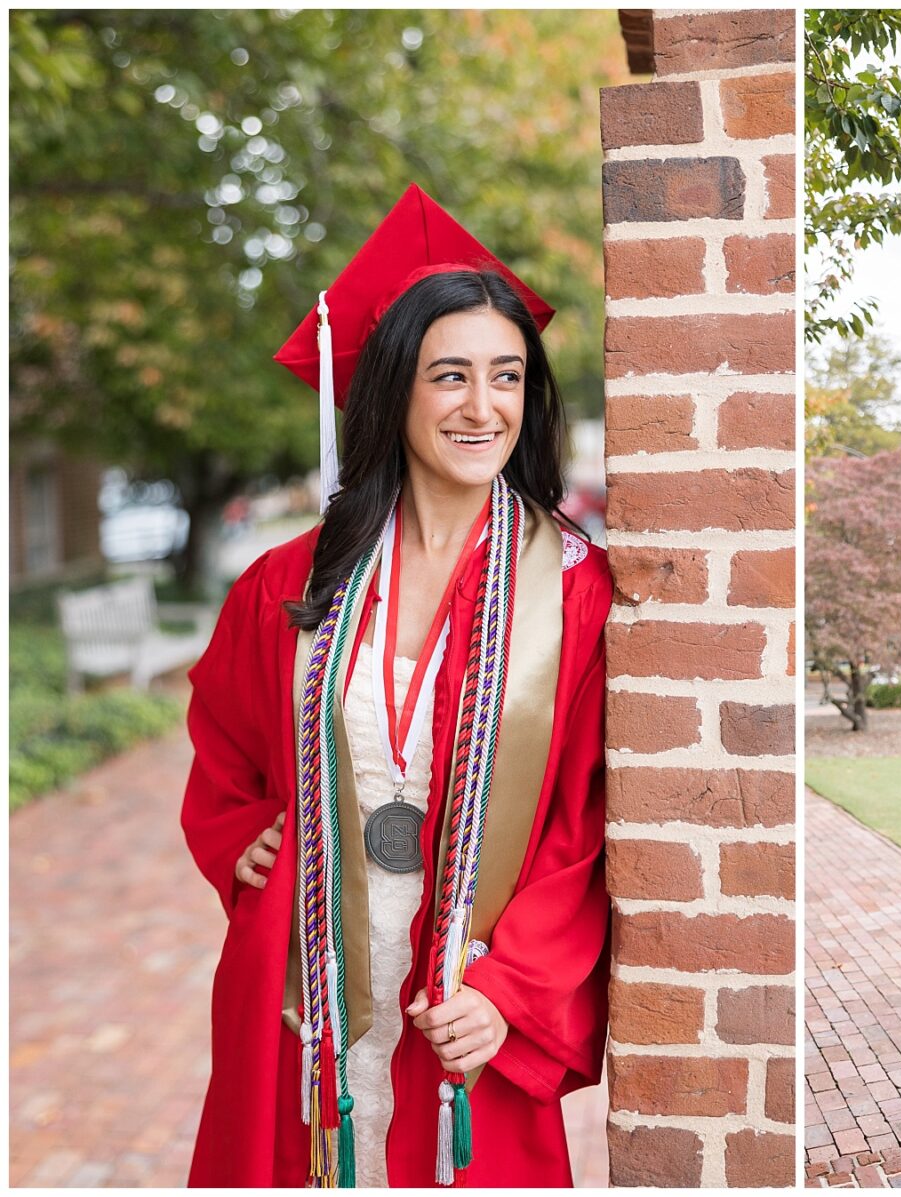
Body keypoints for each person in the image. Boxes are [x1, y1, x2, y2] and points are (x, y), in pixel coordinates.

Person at [180, 184, 609, 1187]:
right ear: (390, 390)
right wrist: (239, 834)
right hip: (308, 989)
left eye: (506, 376)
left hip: (460, 1000)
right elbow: (225, 748)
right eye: (448, 375)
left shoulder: (574, 593)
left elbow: (580, 824)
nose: (483, 406)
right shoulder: (287, 583)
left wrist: (510, 990)